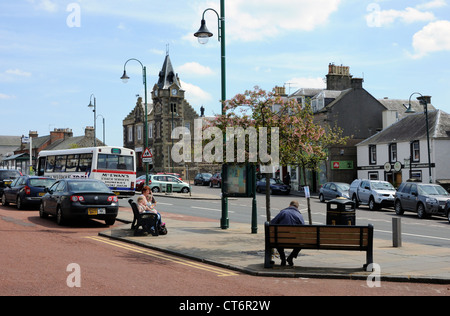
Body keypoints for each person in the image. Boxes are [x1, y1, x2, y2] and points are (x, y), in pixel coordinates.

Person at [270, 200, 305, 266]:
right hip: (295, 240)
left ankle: (283, 258)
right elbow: (303, 228)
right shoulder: (299, 215)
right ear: (297, 207)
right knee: (301, 243)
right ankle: (290, 257)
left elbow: (272, 223)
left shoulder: (283, 212)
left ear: (289, 205)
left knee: (278, 241)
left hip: (281, 239)